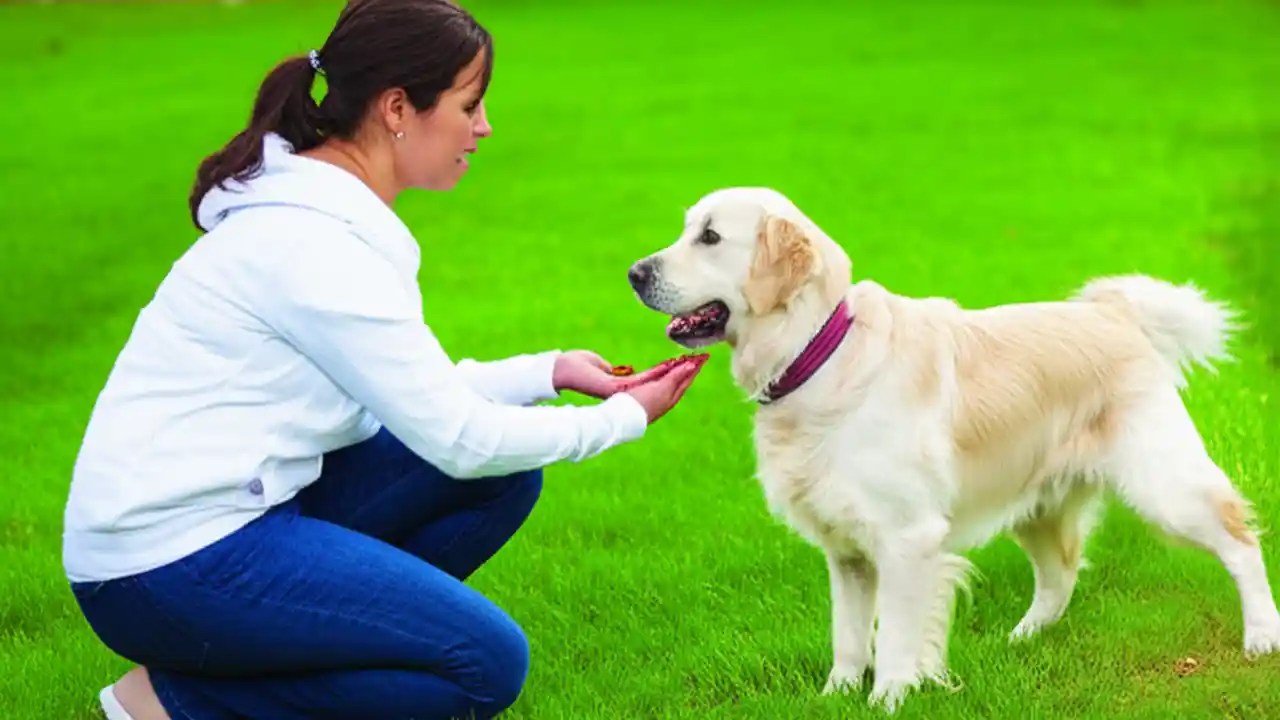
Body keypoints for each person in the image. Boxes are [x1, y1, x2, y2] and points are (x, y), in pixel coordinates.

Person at [62, 1, 706, 718]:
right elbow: (460, 439)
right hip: (164, 565)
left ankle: (308, 642)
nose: (485, 126)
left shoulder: (325, 214)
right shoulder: (315, 246)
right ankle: (173, 701)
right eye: (470, 104)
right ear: (398, 107)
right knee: (483, 664)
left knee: (504, 479)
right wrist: (623, 419)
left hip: (239, 514)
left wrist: (545, 372)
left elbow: (406, 393)